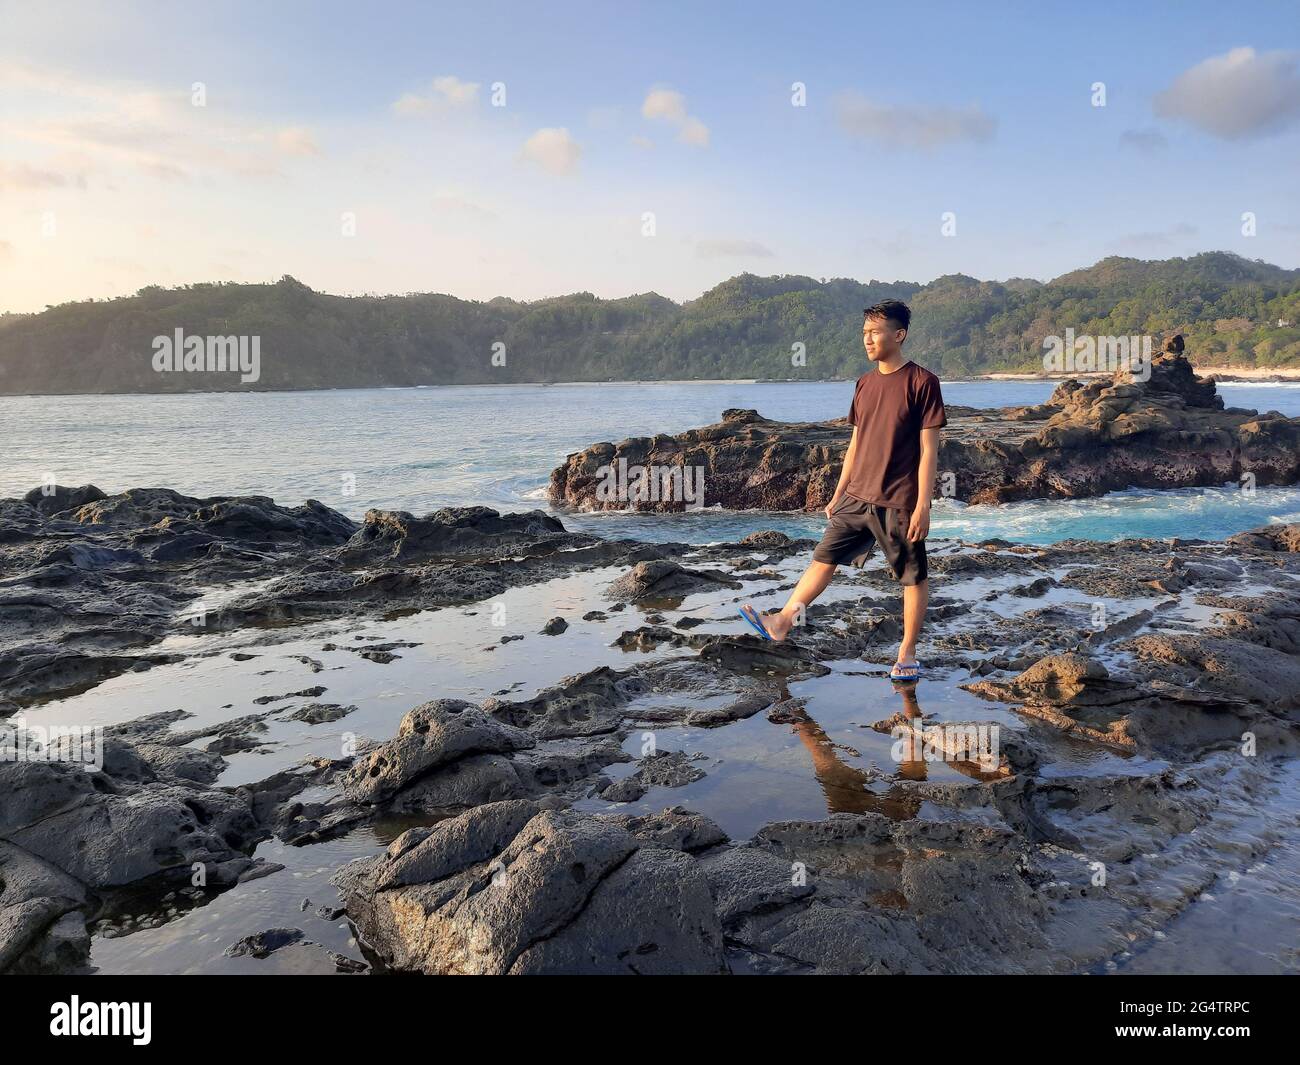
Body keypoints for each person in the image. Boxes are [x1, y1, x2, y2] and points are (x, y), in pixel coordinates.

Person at [739, 299, 946, 682]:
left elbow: (929, 449)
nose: (867, 339)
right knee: (823, 559)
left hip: (898, 499)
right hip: (856, 495)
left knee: (912, 577)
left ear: (898, 335)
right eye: (864, 332)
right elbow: (855, 443)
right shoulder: (864, 384)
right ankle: (783, 620)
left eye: (875, 332)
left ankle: (907, 652)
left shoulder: (923, 382)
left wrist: (923, 506)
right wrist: (838, 492)